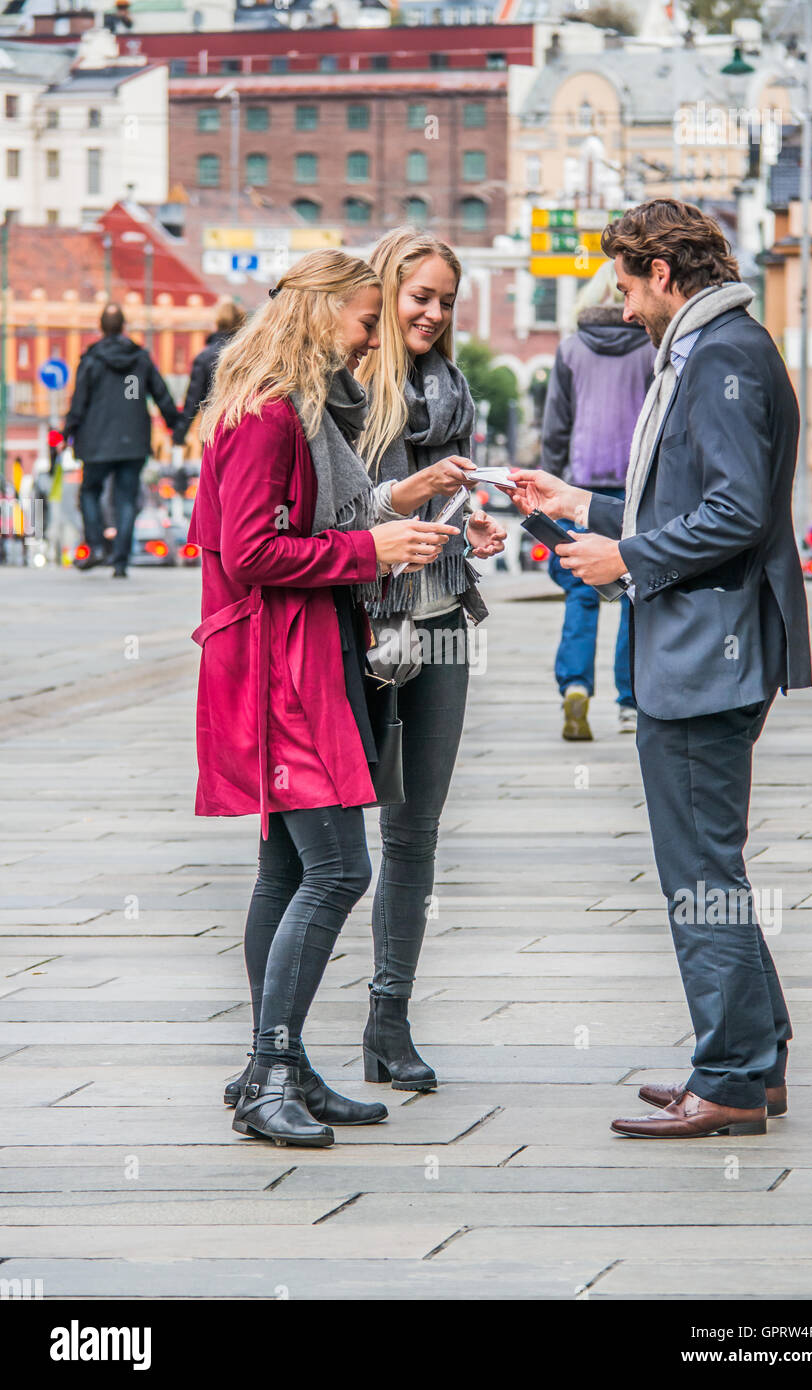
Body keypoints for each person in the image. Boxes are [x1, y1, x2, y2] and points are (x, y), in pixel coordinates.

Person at [510, 199, 812, 1140]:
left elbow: (734, 513)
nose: (624, 307)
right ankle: (755, 1064)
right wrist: (579, 503)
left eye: (629, 286)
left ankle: (725, 1078)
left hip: (704, 654)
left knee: (700, 872)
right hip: (707, 647)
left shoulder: (718, 357)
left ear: (665, 275)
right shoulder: (721, 348)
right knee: (707, 864)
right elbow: (684, 498)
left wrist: (626, 561)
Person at [190, 249, 458, 1148]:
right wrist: (370, 554)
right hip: (283, 671)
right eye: (362, 318)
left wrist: (389, 529)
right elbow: (254, 552)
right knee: (342, 868)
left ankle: (285, 1063)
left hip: (297, 658)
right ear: (316, 315)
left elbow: (312, 525)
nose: (370, 334)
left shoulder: (289, 408)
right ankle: (270, 1072)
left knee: (289, 870)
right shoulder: (271, 416)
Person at [355, 229, 506, 1091]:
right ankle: (277, 1044)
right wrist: (402, 502)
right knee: (321, 849)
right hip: (364, 631)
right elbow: (339, 512)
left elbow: (444, 497)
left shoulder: (454, 389)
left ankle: (389, 1021)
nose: (433, 312)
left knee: (415, 833)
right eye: (419, 295)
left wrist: (466, 523)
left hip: (442, 623)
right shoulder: (350, 390)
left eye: (446, 300)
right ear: (387, 290)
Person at [541, 260, 653, 740]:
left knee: (582, 594)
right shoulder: (653, 349)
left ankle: (575, 687)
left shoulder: (569, 351)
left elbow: (555, 430)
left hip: (578, 492)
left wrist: (546, 488)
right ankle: (630, 702)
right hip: (639, 490)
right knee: (636, 595)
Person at [63, 304, 179, 578]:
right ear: (124, 326)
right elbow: (161, 393)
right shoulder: (139, 358)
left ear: (101, 327)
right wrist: (176, 424)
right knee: (126, 499)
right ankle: (120, 561)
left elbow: (79, 401)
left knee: (90, 492)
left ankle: (97, 546)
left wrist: (68, 431)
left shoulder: (91, 360)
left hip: (96, 442)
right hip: (134, 441)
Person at [172, 298, 246, 449]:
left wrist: (180, 433)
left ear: (216, 323)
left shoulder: (204, 357)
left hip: (214, 428)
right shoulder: (248, 354)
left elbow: (193, 399)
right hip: (245, 426)